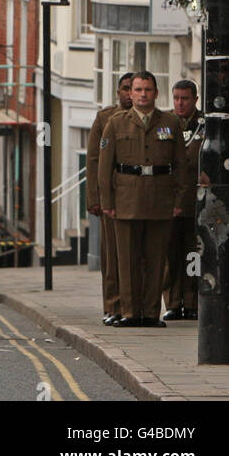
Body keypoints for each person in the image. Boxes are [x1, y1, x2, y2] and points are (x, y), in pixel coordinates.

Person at [98, 71, 187, 328]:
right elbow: (105, 168)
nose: (142, 95)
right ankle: (128, 312)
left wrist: (179, 199)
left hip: (160, 198)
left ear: (156, 93)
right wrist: (107, 202)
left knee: (156, 259)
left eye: (147, 90)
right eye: (137, 90)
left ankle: (150, 313)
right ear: (130, 93)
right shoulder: (115, 123)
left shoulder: (170, 122)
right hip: (126, 199)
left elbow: (180, 164)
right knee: (126, 260)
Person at [87, 71, 133, 326]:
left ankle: (134, 307)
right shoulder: (105, 118)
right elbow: (93, 160)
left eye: (133, 88)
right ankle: (113, 305)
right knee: (112, 257)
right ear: (118, 91)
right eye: (126, 88)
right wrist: (95, 199)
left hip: (137, 198)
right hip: (111, 199)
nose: (129, 94)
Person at [163, 80, 203, 321]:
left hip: (195, 202)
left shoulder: (205, 124)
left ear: (195, 100)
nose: (179, 103)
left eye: (185, 98)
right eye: (176, 98)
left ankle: (191, 300)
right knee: (170, 256)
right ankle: (172, 302)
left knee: (193, 255)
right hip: (168, 201)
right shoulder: (165, 124)